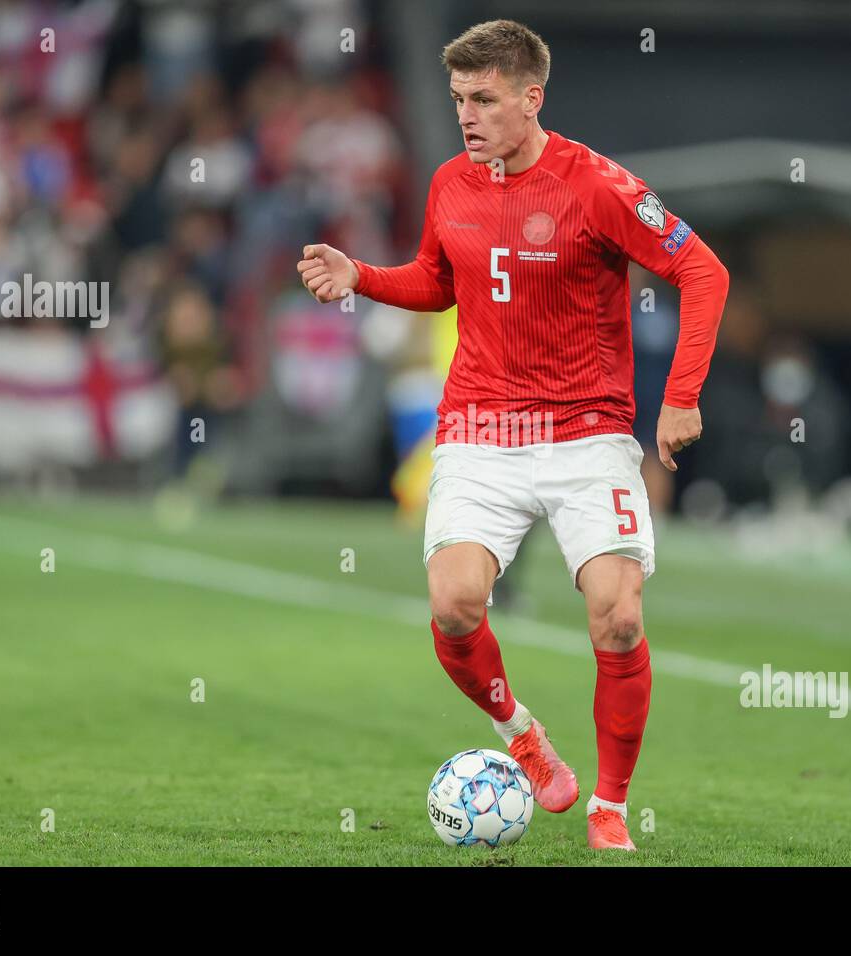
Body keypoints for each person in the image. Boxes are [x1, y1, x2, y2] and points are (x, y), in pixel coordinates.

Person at [296, 20, 729, 849]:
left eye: (484, 99)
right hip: (481, 429)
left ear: (532, 99)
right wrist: (363, 277)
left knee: (619, 619)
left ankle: (607, 806)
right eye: (459, 99)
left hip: (587, 434)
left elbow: (703, 270)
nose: (467, 116)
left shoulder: (598, 186)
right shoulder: (450, 183)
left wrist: (681, 397)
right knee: (455, 605)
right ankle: (520, 732)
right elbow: (436, 280)